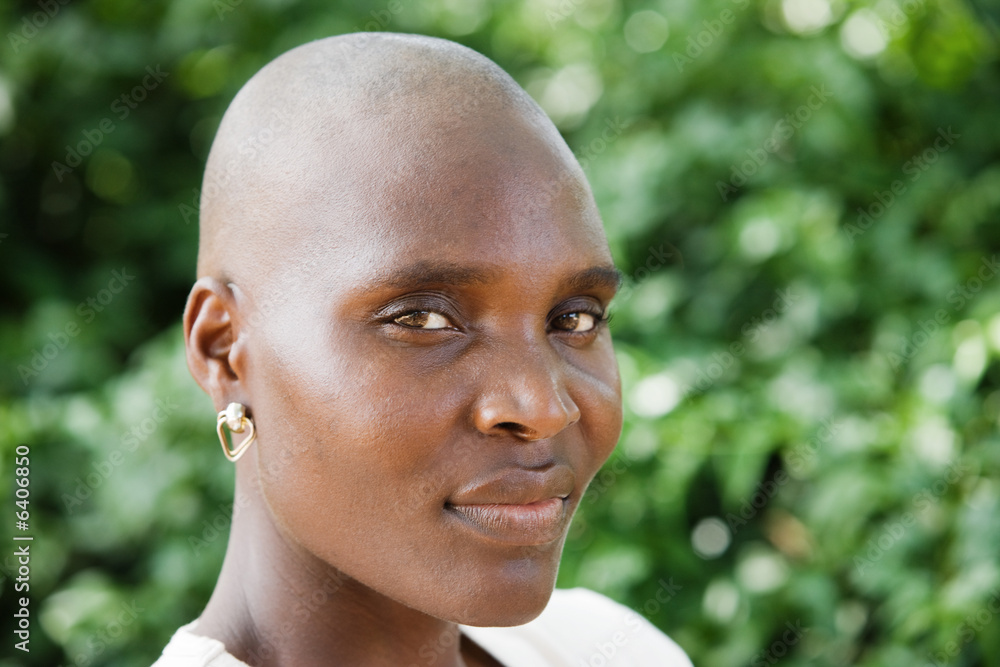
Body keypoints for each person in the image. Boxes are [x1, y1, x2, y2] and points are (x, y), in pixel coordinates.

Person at [154, 32, 692, 667]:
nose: (544, 408)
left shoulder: (609, 648)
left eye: (573, 318)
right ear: (223, 350)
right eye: (423, 319)